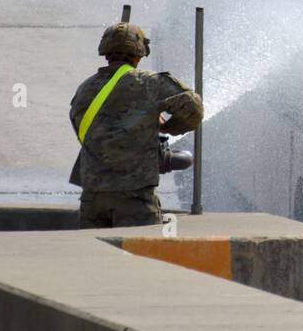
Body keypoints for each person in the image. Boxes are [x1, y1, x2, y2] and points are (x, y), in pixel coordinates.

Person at [69, 21, 203, 228]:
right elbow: (193, 108)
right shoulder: (148, 82)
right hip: (134, 197)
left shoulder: (84, 89)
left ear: (105, 53)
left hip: (92, 198)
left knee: (95, 256)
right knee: (136, 256)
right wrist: (168, 127)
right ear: (139, 54)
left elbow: (84, 132)